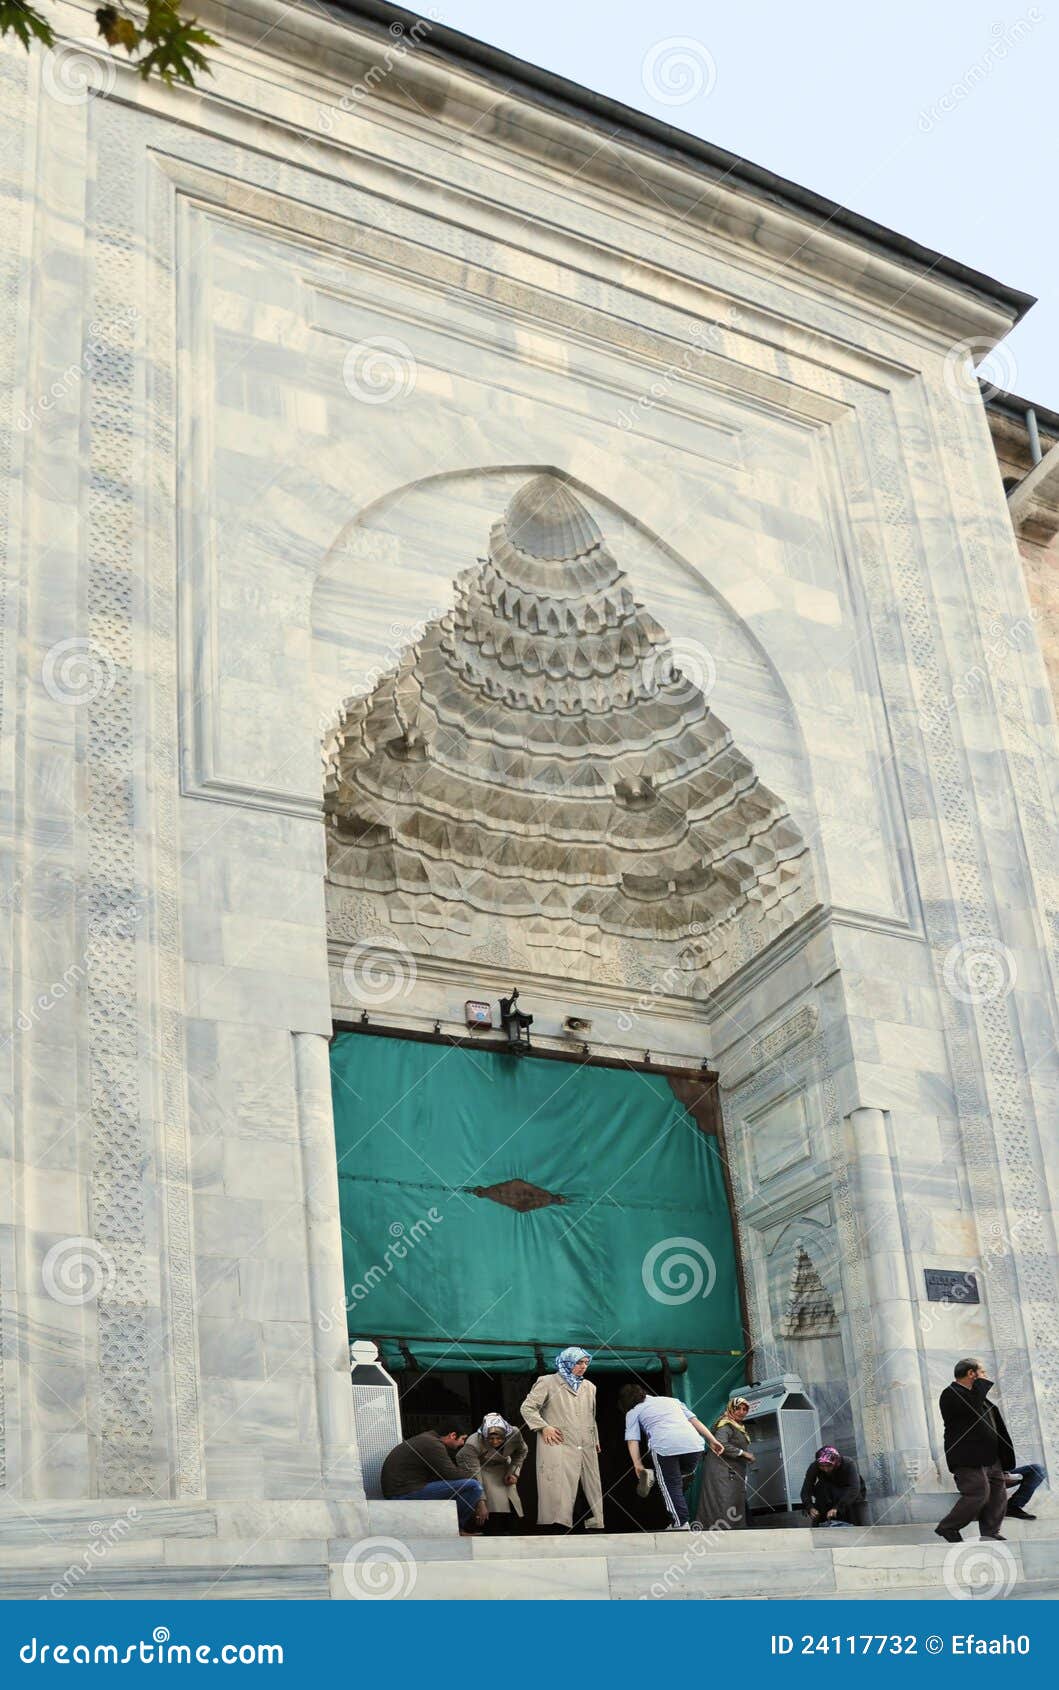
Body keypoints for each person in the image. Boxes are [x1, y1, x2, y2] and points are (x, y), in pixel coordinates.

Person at [619, 1382, 725, 1531]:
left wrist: (637, 1465)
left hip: (665, 1447)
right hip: (693, 1445)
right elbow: (694, 1421)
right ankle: (675, 1477)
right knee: (678, 1477)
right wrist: (712, 1440)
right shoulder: (672, 1401)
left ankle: (680, 1523)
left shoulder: (633, 1412)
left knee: (670, 1485)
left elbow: (632, 1440)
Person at [520, 1346, 605, 1532]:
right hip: (559, 1443)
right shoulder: (548, 1382)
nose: (583, 1367)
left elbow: (591, 1415)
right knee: (560, 1486)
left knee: (590, 1484)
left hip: (585, 1444)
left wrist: (595, 1437)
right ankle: (558, 1527)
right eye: (578, 1363)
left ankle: (591, 1524)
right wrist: (544, 1427)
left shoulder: (589, 1387)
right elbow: (527, 1408)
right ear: (567, 1362)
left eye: (585, 1363)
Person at [935, 1358, 1015, 1543]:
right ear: (971, 1373)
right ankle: (948, 1527)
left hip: (992, 1458)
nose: (986, 1376)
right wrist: (980, 1386)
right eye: (983, 1372)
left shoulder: (980, 1398)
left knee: (998, 1495)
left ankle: (990, 1532)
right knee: (978, 1493)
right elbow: (970, 1408)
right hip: (968, 1457)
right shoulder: (950, 1394)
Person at [380, 1421, 488, 1535]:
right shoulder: (433, 1444)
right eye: (462, 1439)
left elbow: (444, 1475)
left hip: (403, 1490)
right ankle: (457, 1528)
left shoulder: (428, 1440)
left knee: (466, 1486)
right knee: (473, 1486)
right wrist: (474, 1479)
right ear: (453, 1435)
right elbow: (451, 1474)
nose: (462, 1444)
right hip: (402, 1493)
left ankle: (452, 1526)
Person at [457, 1412, 528, 1530]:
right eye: (491, 1438)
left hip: (505, 1467)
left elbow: (522, 1451)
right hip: (481, 1468)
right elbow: (474, 1476)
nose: (495, 1442)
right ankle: (491, 1528)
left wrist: (514, 1472)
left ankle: (511, 1528)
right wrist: (480, 1502)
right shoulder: (473, 1443)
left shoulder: (515, 1433)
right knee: (490, 1504)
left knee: (511, 1502)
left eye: (499, 1438)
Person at [696, 1395, 755, 1531]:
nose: (742, 1412)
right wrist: (743, 1453)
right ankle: (720, 1531)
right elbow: (720, 1444)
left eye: (745, 1409)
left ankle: (732, 1529)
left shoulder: (736, 1426)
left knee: (731, 1499)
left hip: (730, 1470)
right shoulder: (726, 1425)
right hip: (721, 1470)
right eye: (738, 1409)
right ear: (731, 1409)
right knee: (724, 1499)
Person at [801, 1446, 861, 1526]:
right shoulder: (814, 1466)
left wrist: (837, 1508)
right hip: (828, 1493)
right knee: (821, 1487)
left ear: (836, 1462)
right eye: (822, 1466)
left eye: (829, 1466)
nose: (825, 1469)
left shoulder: (848, 1463)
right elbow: (806, 1489)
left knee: (848, 1505)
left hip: (847, 1493)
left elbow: (854, 1488)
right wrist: (809, 1507)